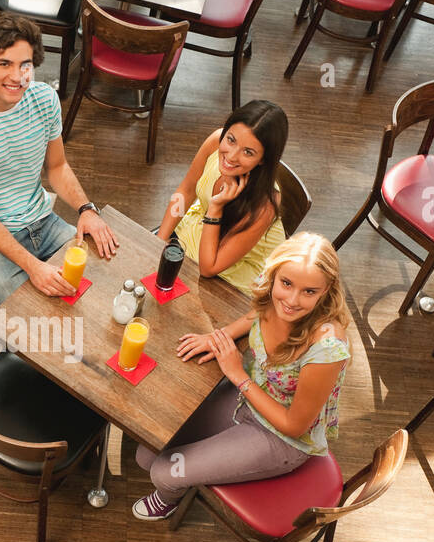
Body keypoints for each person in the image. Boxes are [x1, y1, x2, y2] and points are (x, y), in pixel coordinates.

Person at [131, 232, 352, 520]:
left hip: (279, 437)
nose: (292, 301)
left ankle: (168, 499)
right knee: (146, 453)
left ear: (326, 291)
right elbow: (255, 316)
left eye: (309, 291)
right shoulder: (272, 296)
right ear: (274, 276)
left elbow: (294, 426)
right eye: (286, 284)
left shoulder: (327, 349)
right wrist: (219, 337)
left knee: (164, 472)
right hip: (244, 399)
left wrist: (238, 376)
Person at [0, 12, 117, 307]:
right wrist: (34, 267)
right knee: (34, 325)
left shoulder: (44, 99)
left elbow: (57, 167)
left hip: (41, 222)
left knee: (102, 287)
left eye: (25, 65)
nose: (18, 77)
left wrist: (87, 209)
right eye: (5, 64)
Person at [155, 101, 289, 294]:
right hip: (198, 233)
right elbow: (186, 190)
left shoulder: (265, 204)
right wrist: (158, 242)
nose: (232, 156)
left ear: (263, 160)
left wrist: (215, 208)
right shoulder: (216, 141)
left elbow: (209, 268)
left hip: (229, 272)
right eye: (231, 140)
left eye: (248, 152)